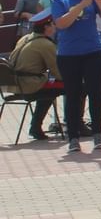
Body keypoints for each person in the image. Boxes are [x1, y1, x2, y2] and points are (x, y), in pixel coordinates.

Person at [50, 0, 101, 152]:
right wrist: (81, 5)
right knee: (73, 95)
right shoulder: (59, 1)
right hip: (69, 55)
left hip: (92, 51)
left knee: (95, 93)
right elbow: (62, 23)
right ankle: (73, 138)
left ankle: (97, 134)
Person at [9, 8, 62, 140]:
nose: (55, 26)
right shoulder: (45, 44)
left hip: (15, 84)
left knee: (49, 92)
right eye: (52, 24)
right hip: (29, 85)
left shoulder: (25, 38)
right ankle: (77, 125)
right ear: (46, 27)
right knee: (73, 87)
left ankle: (36, 127)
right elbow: (58, 72)